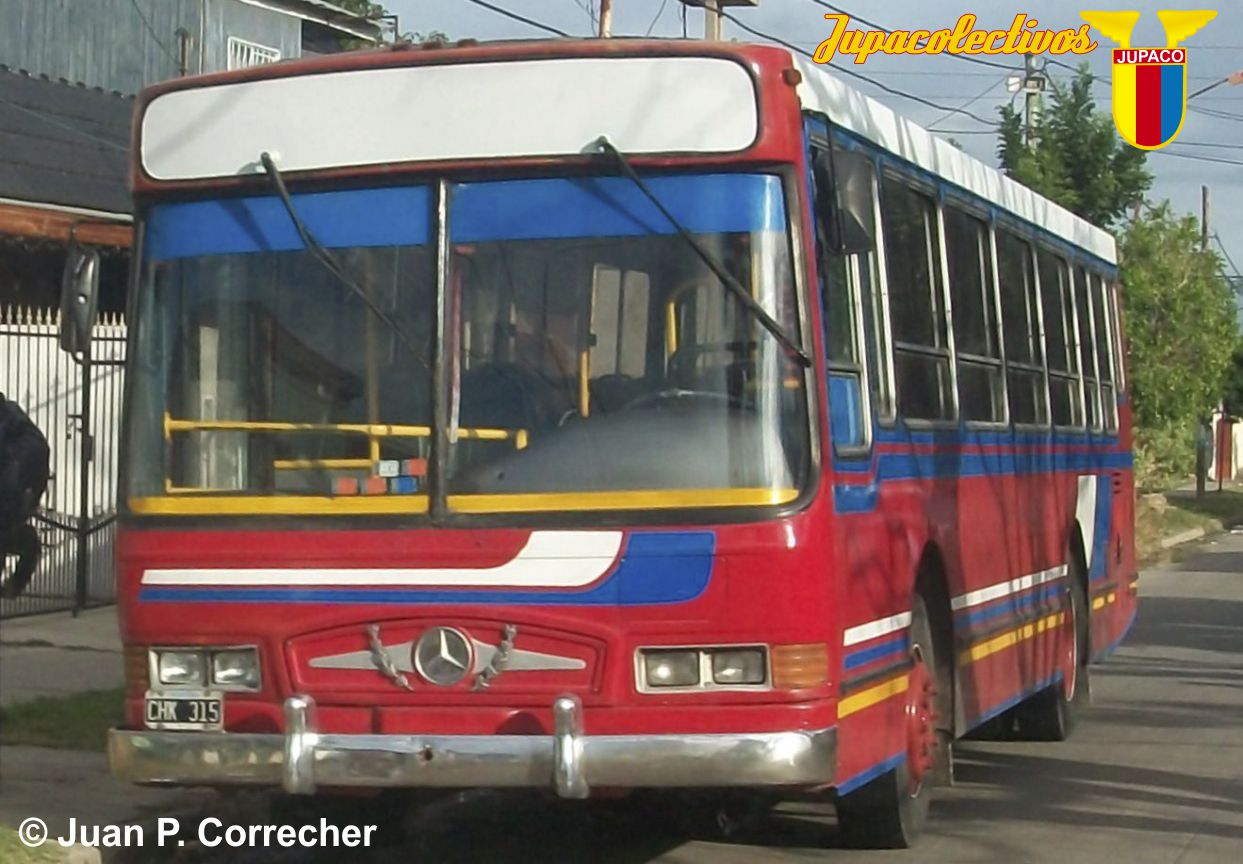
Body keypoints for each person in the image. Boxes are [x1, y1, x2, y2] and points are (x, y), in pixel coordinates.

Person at [0, 394, 50, 599]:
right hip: (15, 500)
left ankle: (12, 587)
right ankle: (12, 587)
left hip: (12, 499)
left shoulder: (12, 424)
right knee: (27, 543)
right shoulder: (15, 420)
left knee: (25, 542)